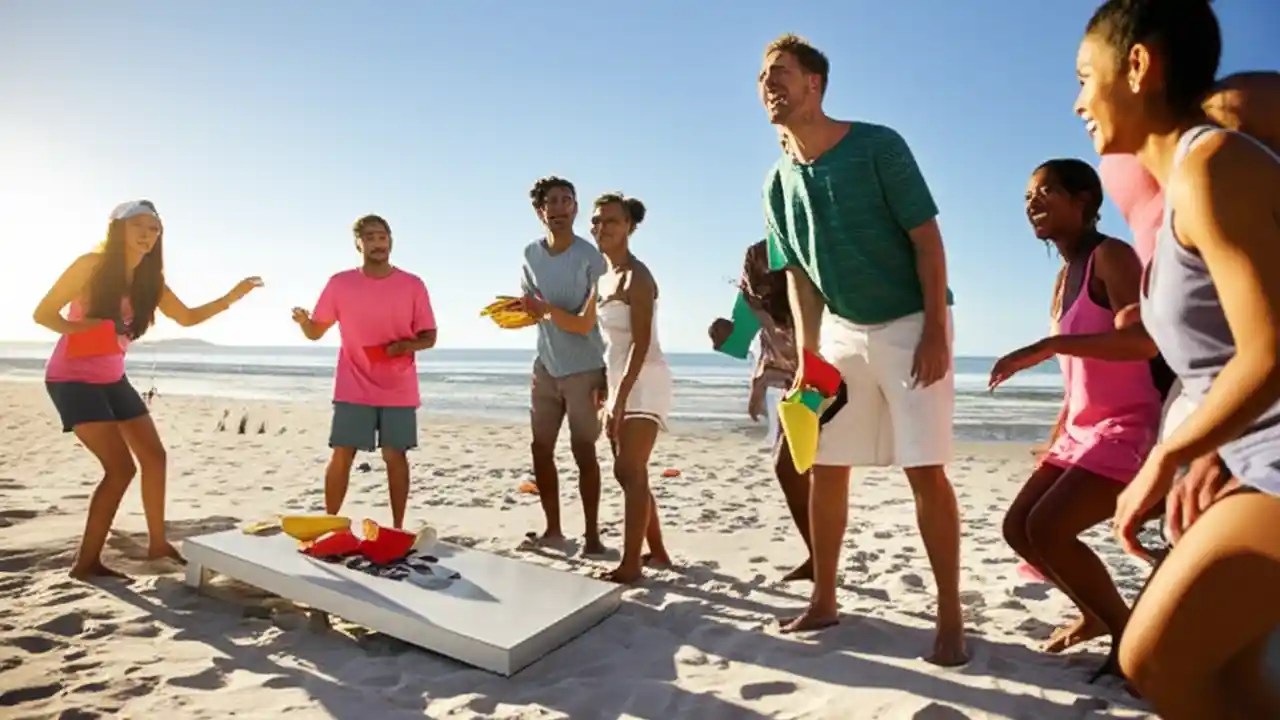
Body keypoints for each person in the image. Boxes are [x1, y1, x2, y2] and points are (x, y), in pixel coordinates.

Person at [1073, 1, 1280, 716]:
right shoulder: (1192, 179)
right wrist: (1211, 449)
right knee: (1225, 673)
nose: (1077, 103)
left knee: (1155, 658)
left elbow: (1271, 353)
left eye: (1083, 77)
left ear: (1137, 66)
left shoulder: (1216, 167)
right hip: (1251, 461)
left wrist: (1169, 458)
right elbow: (1223, 359)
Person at [757, 33, 967, 665]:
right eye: (763, 77)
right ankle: (824, 598)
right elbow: (796, 274)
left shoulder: (878, 145)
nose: (769, 86)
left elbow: (927, 239)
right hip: (842, 331)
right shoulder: (775, 180)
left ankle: (951, 616)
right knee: (824, 464)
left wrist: (934, 328)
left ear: (815, 84)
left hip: (910, 321)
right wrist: (808, 355)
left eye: (781, 74)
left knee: (924, 469)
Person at [33, 200, 262, 579]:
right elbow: (43, 314)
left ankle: (158, 543)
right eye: (139, 225)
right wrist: (84, 329)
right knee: (120, 469)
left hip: (112, 378)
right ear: (117, 228)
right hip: (72, 378)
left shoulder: (149, 281)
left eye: (154, 228)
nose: (147, 234)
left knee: (154, 458)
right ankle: (86, 563)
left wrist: (232, 296)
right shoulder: (89, 266)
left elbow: (186, 317)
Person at [990, 160, 1161, 655]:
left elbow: (1140, 342)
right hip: (1081, 431)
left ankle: (1128, 636)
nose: (1032, 204)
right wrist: (1059, 430)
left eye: (1047, 192)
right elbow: (1081, 377)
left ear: (1084, 199)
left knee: (1048, 527)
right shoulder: (1063, 278)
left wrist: (1047, 345)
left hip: (1130, 427)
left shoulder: (1114, 257)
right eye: (1027, 197)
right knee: (1018, 529)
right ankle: (1094, 614)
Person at [291, 214, 437, 530]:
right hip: (353, 384)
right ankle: (329, 525)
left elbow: (430, 337)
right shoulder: (340, 283)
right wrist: (304, 321)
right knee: (342, 453)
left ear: (391, 241)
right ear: (358, 243)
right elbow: (316, 332)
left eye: (382, 236)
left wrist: (403, 347)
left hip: (398, 386)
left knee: (395, 456)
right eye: (370, 237)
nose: (377, 243)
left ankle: (397, 527)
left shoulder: (412, 285)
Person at [709, 239, 812, 582]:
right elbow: (747, 336)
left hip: (826, 376)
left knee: (805, 467)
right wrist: (725, 336)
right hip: (791, 381)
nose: (756, 285)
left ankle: (821, 558)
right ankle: (818, 554)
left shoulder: (809, 256)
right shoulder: (756, 258)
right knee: (789, 467)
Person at [584, 192, 674, 583]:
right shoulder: (603, 278)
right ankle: (658, 552)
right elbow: (603, 339)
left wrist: (620, 398)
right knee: (631, 473)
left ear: (630, 227)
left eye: (612, 221)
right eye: (598, 221)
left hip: (645, 379)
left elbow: (639, 341)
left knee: (628, 468)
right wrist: (604, 384)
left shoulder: (639, 275)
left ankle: (632, 563)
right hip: (618, 377)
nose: (602, 228)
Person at [518, 176, 609, 556]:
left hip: (586, 366)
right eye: (550, 201)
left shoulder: (592, 259)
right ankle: (553, 529)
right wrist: (517, 311)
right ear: (540, 210)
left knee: (583, 450)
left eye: (565, 200)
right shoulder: (530, 255)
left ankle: (592, 536)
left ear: (575, 208)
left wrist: (546, 311)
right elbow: (530, 307)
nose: (557, 207)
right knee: (540, 449)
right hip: (546, 366)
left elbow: (586, 322)